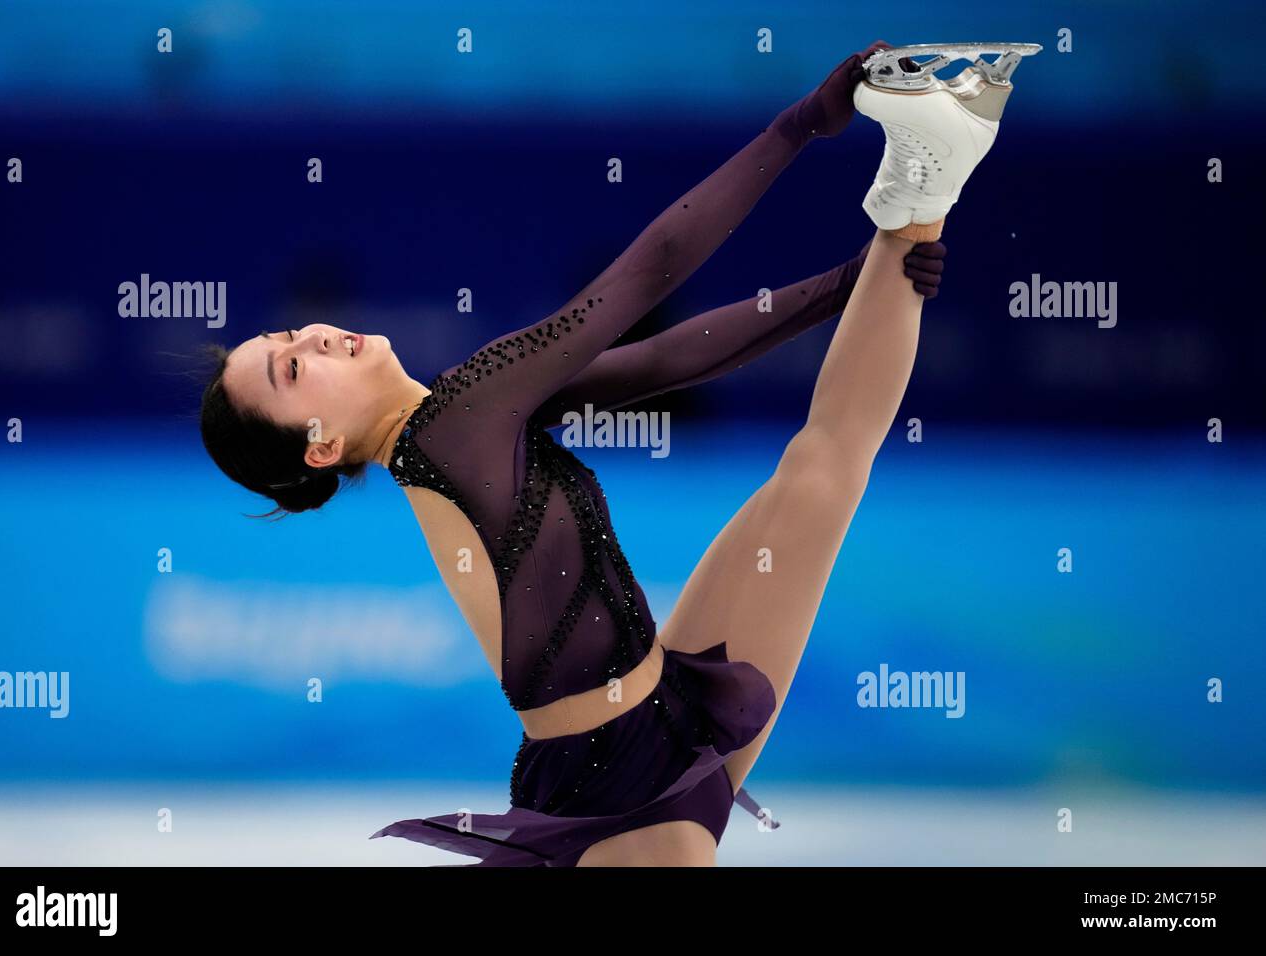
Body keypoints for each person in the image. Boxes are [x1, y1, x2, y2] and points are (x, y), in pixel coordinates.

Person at [198, 38, 997, 865]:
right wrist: (799, 126)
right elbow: (647, 274)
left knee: (820, 468)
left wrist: (856, 278)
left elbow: (667, 359)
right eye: (294, 368)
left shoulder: (459, 415)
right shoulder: (461, 419)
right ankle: (917, 200)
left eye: (294, 335)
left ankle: (921, 191)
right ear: (321, 447)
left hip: (669, 707)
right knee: (829, 459)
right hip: (616, 795)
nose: (319, 337)